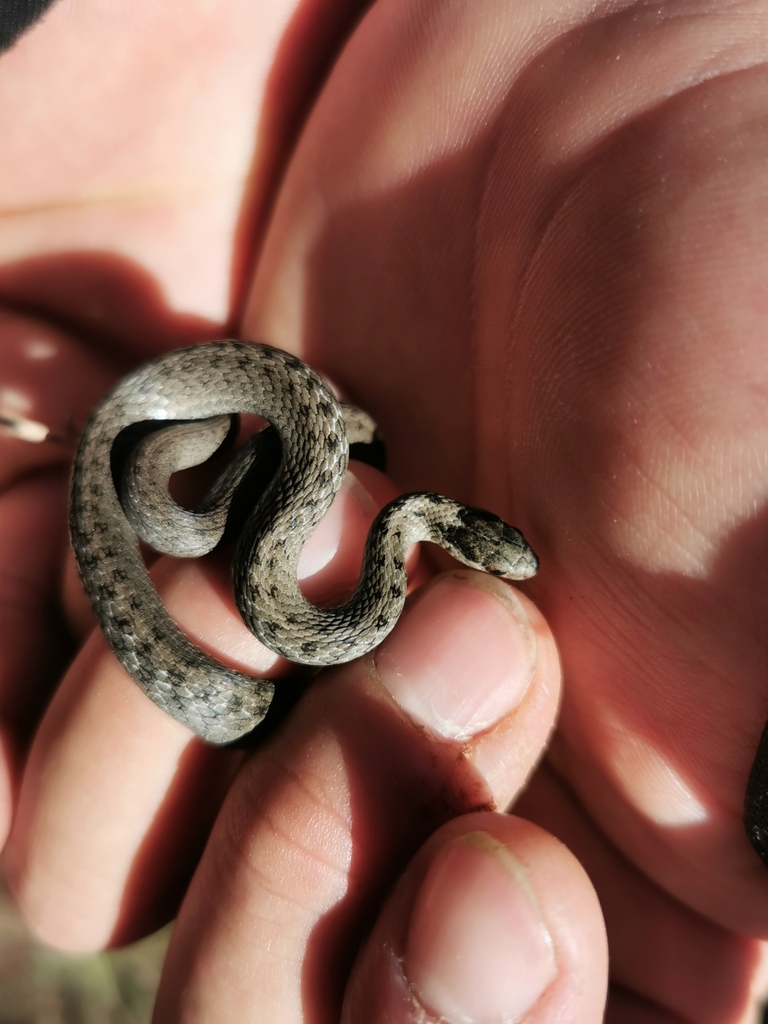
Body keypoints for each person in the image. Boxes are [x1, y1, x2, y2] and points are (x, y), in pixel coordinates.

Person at [0, 0, 767, 1020]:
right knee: (187, 537)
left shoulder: (389, 521)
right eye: (502, 558)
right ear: (459, 533)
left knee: (200, 564)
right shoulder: (373, 513)